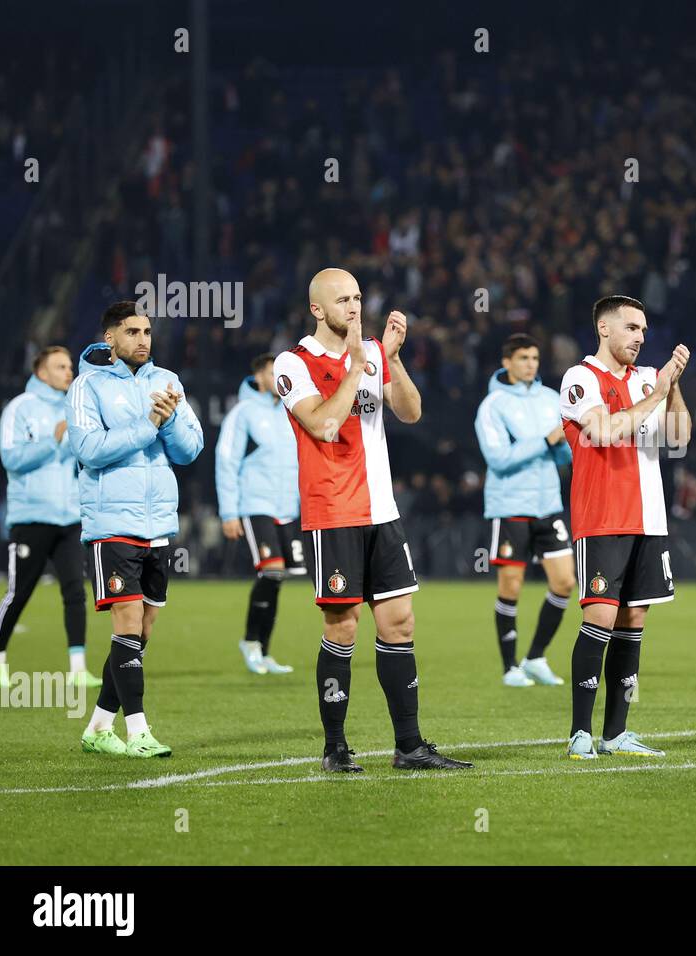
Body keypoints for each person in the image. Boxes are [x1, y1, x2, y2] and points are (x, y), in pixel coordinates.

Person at [273, 267, 470, 772]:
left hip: (383, 511)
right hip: (334, 511)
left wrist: (393, 359)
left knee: (400, 622)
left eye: (359, 297)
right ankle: (335, 747)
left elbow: (411, 412)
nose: (355, 307)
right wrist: (358, 366)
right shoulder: (293, 363)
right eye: (343, 300)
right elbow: (324, 423)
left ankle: (409, 745)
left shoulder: (375, 355)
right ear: (318, 309)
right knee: (343, 627)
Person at [558, 294, 690, 759]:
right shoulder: (580, 378)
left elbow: (679, 436)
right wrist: (655, 393)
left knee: (633, 621)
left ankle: (615, 733)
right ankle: (579, 733)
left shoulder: (649, 380)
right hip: (602, 518)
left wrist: (671, 385)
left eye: (644, 330)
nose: (640, 337)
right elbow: (604, 431)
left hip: (648, 518)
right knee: (600, 617)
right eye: (632, 328)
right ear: (605, 329)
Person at [70, 301, 204, 757]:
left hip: (159, 525)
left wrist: (166, 424)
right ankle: (139, 732)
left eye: (147, 331)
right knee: (127, 624)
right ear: (110, 338)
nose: (143, 339)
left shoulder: (168, 381)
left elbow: (190, 451)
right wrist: (148, 423)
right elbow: (89, 449)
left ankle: (98, 728)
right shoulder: (87, 386)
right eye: (131, 332)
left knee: (141, 633)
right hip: (111, 523)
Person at [0, 346, 97, 690]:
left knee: (74, 593)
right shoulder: (20, 408)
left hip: (69, 518)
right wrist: (53, 438)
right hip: (31, 517)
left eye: (69, 366)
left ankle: (78, 668)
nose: (69, 372)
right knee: (18, 592)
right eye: (60, 366)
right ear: (41, 372)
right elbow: (11, 458)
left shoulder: (74, 408)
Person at [473, 333, 575, 688]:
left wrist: (563, 449)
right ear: (506, 363)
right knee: (511, 586)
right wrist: (544, 441)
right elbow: (498, 460)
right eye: (523, 358)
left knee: (565, 583)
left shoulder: (551, 399)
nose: (531, 364)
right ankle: (509, 666)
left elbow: (563, 454)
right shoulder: (493, 405)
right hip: (510, 505)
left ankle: (535, 656)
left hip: (548, 505)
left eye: (534, 358)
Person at [215, 353, 304, 675]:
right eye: (273, 372)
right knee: (271, 571)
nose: (279, 377)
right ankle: (251, 642)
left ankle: (264, 652)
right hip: (256, 505)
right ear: (259, 376)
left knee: (278, 579)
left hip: (288, 508)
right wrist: (229, 513)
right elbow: (226, 461)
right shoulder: (244, 413)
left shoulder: (291, 410)